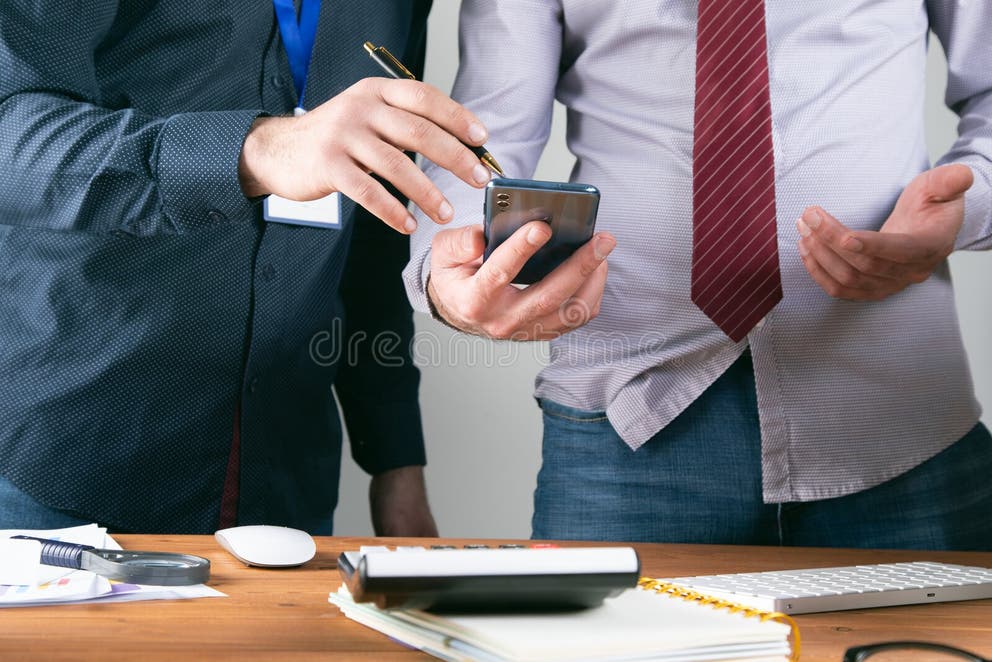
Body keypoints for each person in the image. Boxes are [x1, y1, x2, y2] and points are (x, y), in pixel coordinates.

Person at [404, 1, 992, 549]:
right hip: (626, 417)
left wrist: (967, 207)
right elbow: (484, 126)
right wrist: (447, 272)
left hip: (899, 414)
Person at [0, 1, 496, 535]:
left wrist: (397, 465)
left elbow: (377, 228)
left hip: (286, 486)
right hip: (67, 465)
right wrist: (253, 150)